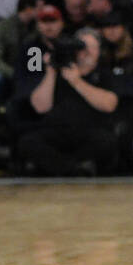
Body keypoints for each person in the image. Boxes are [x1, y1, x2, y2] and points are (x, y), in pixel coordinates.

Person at [16, 29, 121, 176]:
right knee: (27, 142)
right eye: (82, 47)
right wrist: (51, 72)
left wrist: (77, 81)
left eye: (92, 47)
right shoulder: (57, 71)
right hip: (57, 132)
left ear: (99, 51)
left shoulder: (104, 74)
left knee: (107, 142)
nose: (87, 51)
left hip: (90, 132)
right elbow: (40, 107)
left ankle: (64, 167)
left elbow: (109, 104)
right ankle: (74, 169)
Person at [0, 0, 35, 144]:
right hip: (9, 74)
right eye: (39, 8)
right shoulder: (2, 27)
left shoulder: (39, 30)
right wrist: (16, 74)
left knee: (39, 77)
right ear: (28, 8)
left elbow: (37, 60)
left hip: (31, 74)